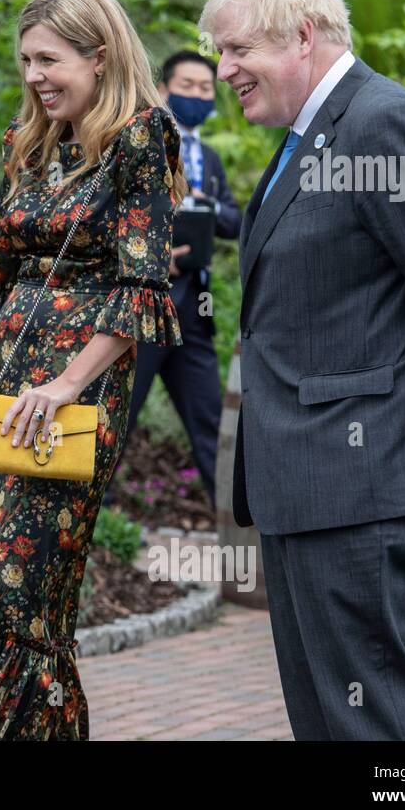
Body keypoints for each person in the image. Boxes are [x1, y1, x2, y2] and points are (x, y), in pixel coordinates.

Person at [202, 0, 405, 739]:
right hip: (308, 481)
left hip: (360, 480)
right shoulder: (311, 135)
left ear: (302, 35)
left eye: (237, 49)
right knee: (329, 720)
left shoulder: (380, 122)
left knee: (374, 722)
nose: (223, 69)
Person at [0, 0, 183, 740]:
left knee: (25, 591)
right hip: (7, 388)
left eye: (50, 60)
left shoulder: (141, 138)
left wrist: (63, 386)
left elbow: (142, 293)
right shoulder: (30, 142)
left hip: (74, 394)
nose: (34, 76)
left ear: (100, 56)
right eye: (26, 60)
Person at [125, 49, 242, 505]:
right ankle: (92, 520)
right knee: (120, 410)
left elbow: (235, 219)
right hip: (146, 305)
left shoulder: (209, 160)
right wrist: (152, 258)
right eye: (187, 86)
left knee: (209, 417)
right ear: (162, 90)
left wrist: (202, 204)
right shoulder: (137, 145)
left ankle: (234, 521)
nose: (196, 95)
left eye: (205, 89)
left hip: (195, 306)